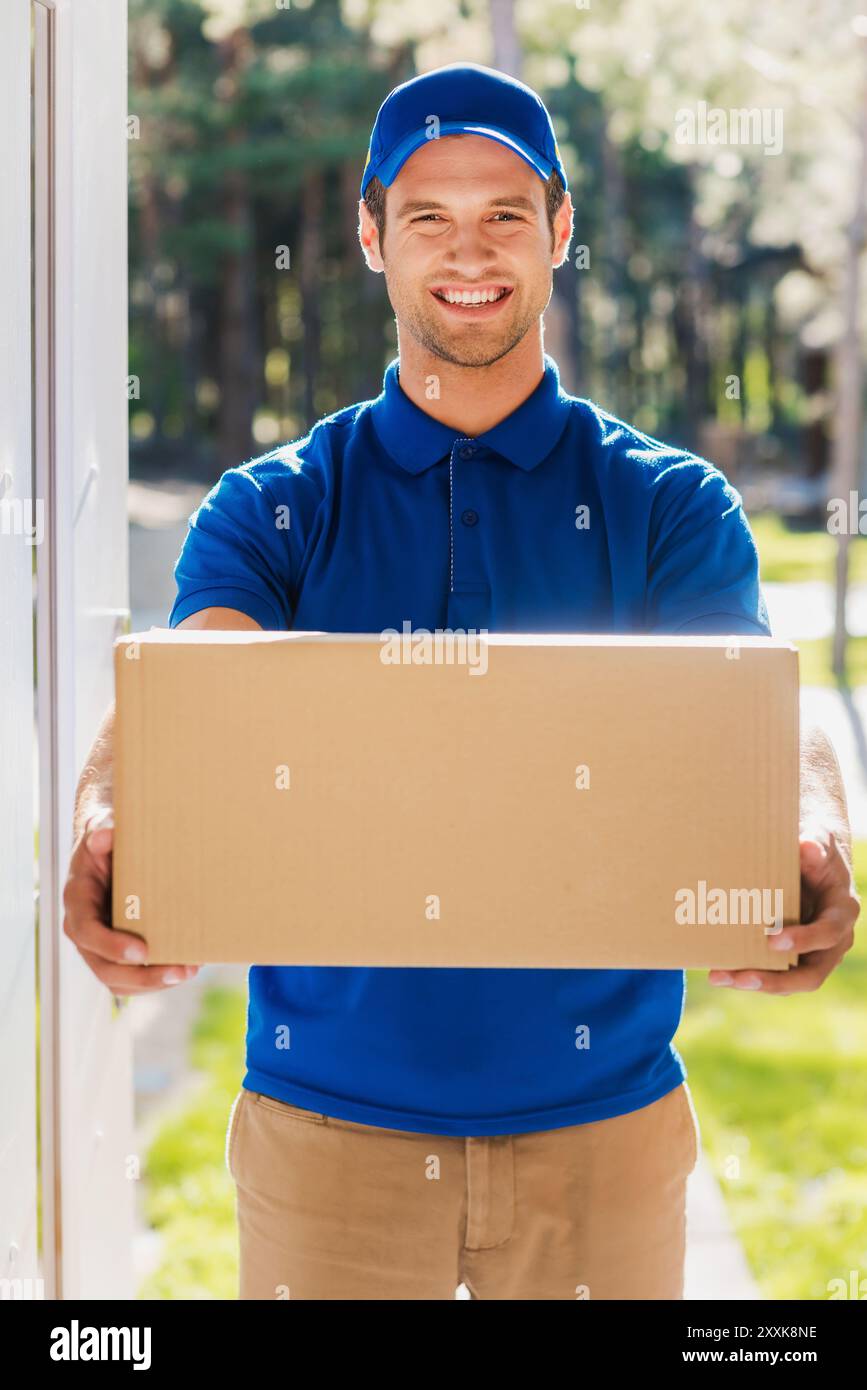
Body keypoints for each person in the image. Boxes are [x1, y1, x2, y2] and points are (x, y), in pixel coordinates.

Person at [63, 63, 859, 1301]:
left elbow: (752, 691)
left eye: (504, 214)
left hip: (604, 1136)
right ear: (373, 237)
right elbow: (182, 693)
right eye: (429, 215)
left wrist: (810, 818)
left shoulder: (667, 502)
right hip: (326, 1138)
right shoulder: (277, 504)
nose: (468, 252)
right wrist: (108, 811)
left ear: (559, 233)